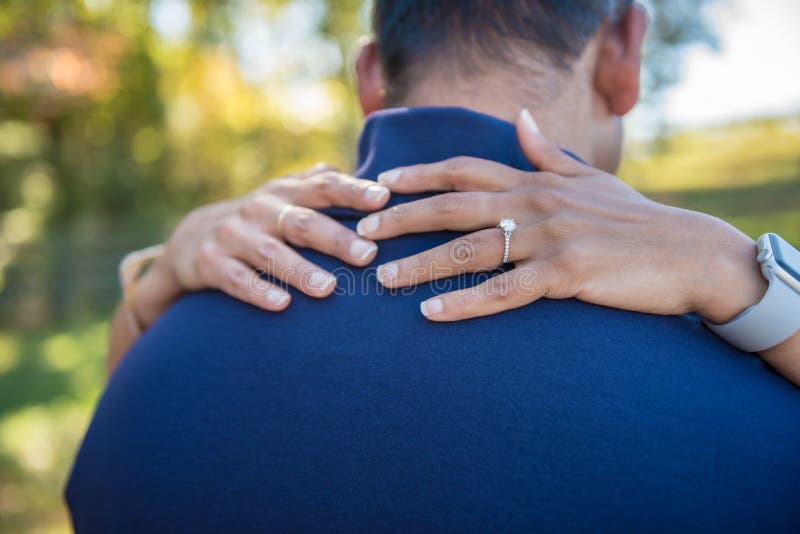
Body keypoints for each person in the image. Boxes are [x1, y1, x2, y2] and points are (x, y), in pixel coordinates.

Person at [67, 1, 800, 532]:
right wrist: (740, 270)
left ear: (370, 77)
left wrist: (156, 289)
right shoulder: (765, 434)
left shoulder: (155, 367)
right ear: (624, 52)